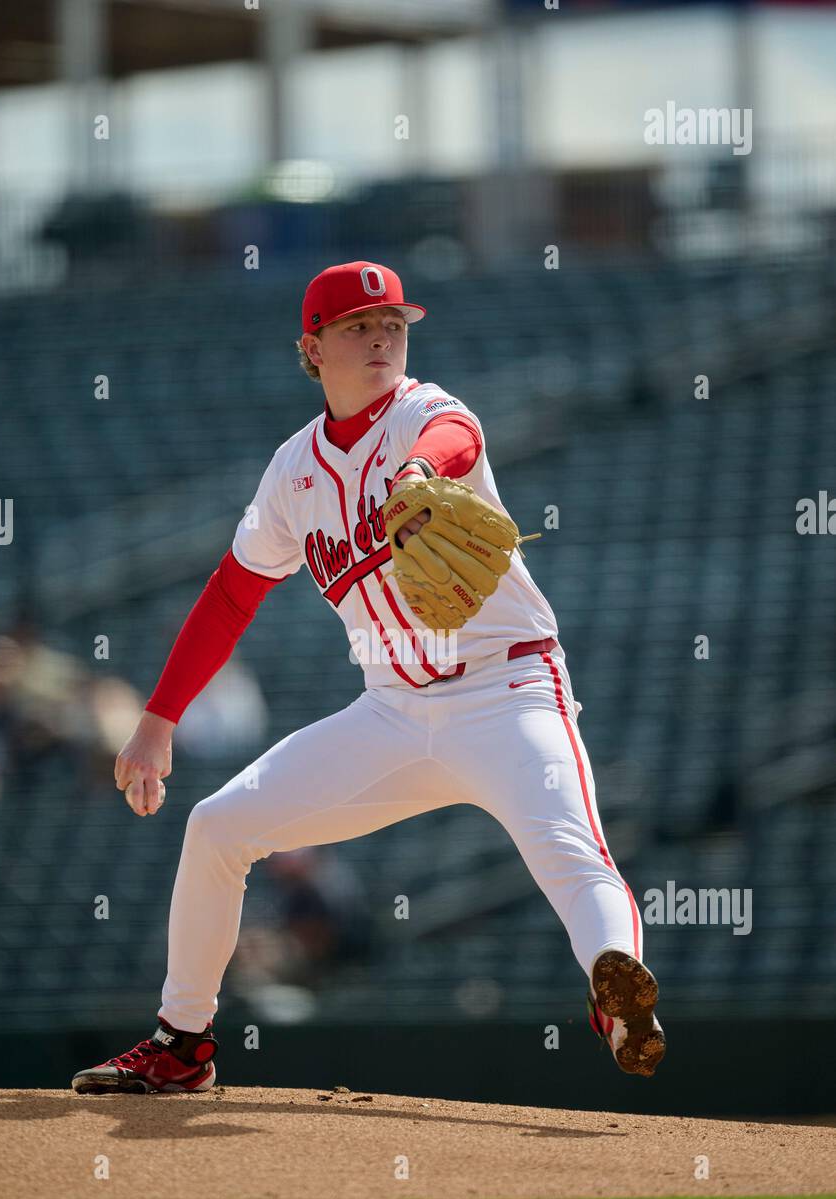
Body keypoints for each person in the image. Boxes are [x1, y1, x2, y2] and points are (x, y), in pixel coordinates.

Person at [72, 260, 665, 1095]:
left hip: (507, 692)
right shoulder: (292, 473)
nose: (382, 336)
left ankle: (617, 991)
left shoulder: (426, 413)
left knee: (572, 855)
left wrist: (422, 473)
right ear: (312, 350)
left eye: (393, 324)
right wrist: (158, 717)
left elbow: (456, 438)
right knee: (216, 828)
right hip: (391, 714)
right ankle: (183, 1044)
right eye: (358, 326)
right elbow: (232, 593)